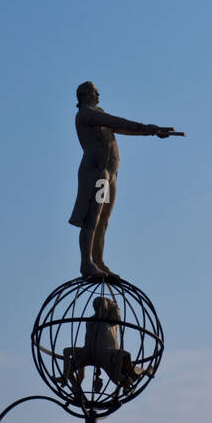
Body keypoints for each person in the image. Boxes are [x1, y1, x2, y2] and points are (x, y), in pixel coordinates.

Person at [69, 81, 180, 280]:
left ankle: (98, 261)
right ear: (84, 94)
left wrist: (152, 131)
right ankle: (86, 263)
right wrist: (149, 129)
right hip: (98, 172)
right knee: (92, 217)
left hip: (110, 174)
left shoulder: (98, 114)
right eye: (95, 92)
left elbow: (123, 129)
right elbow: (118, 123)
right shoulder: (86, 114)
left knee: (103, 220)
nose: (99, 95)